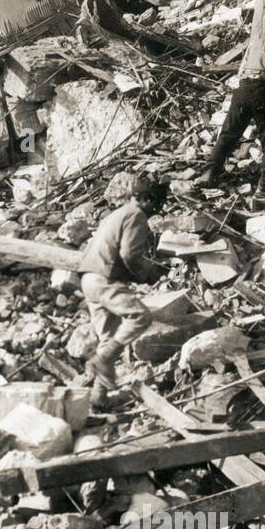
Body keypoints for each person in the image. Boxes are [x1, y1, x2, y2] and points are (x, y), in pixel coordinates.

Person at [78, 172, 167, 407]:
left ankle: (99, 397)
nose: (154, 211)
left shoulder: (116, 214)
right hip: (104, 278)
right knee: (140, 316)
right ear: (147, 199)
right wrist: (147, 273)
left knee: (109, 337)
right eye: (155, 204)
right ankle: (103, 359)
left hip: (88, 278)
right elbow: (130, 254)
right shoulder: (136, 215)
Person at [202, 20, 265, 190]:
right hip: (263, 92)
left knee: (228, 133)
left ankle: (209, 173)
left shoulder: (255, 44)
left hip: (242, 90)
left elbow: (241, 71)